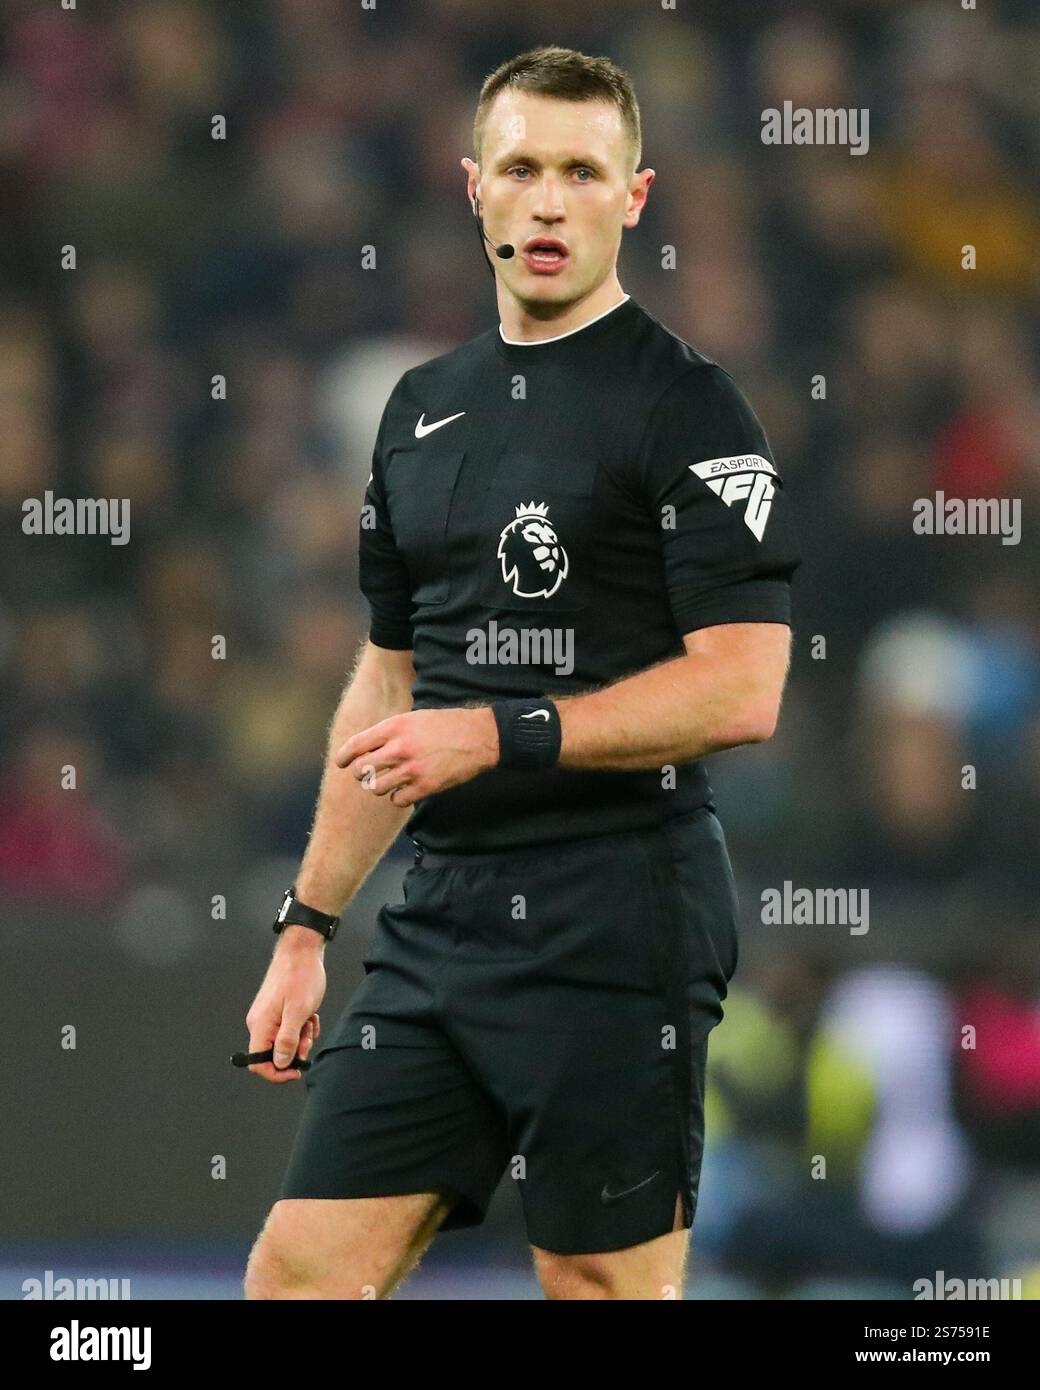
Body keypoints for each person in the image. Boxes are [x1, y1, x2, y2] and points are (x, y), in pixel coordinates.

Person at [243, 45, 800, 1301]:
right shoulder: (417, 408)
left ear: (634, 196)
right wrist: (308, 922)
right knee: (297, 1276)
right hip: (443, 915)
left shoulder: (692, 411)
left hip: (623, 917)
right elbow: (390, 681)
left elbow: (741, 687)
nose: (549, 201)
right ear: (472, 189)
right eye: (522, 169)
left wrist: (503, 734)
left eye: (581, 173)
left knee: (596, 1286)